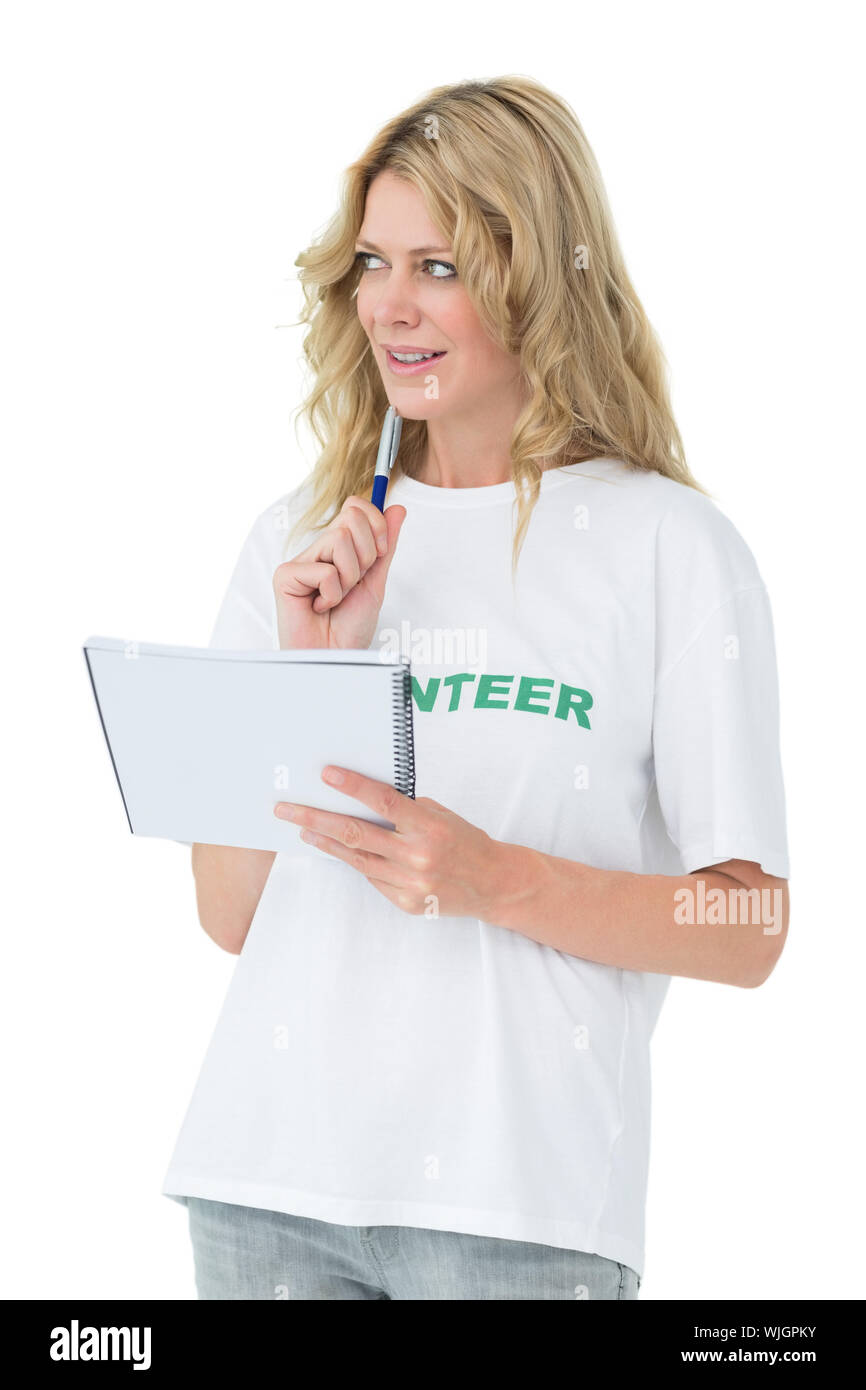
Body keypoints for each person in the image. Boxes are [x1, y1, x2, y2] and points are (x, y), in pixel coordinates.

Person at [161, 76, 790, 1301]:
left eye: (439, 264)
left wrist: (488, 876)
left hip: (518, 1204)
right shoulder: (298, 539)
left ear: (538, 276)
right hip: (264, 1181)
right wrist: (315, 676)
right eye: (372, 262)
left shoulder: (667, 548)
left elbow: (750, 927)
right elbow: (230, 915)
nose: (390, 305)